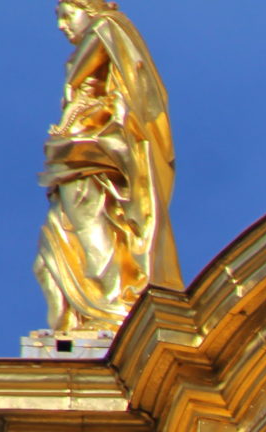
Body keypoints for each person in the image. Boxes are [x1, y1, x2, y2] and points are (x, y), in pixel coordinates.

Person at [34, 0, 181, 333]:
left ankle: (110, 309)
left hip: (94, 156)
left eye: (67, 14)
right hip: (79, 156)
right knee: (49, 261)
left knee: (91, 229)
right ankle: (88, 314)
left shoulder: (106, 28)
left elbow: (90, 83)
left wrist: (77, 101)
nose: (62, 25)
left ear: (90, 8)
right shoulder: (101, 37)